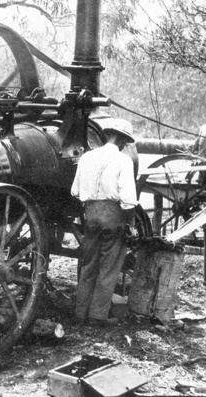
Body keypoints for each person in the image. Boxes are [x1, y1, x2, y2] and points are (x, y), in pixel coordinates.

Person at [70, 118, 138, 326]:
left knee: (89, 264)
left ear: (106, 135)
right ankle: (98, 316)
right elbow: (128, 199)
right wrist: (131, 225)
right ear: (124, 141)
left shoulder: (87, 157)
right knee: (109, 267)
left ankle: (80, 313)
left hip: (90, 214)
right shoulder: (124, 160)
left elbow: (75, 191)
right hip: (113, 216)